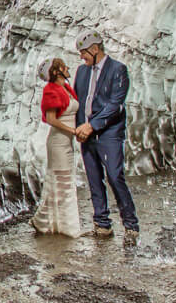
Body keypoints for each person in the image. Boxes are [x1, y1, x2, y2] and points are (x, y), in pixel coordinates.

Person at [73, 32, 139, 244]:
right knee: (94, 179)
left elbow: (115, 105)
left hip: (108, 132)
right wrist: (79, 129)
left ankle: (130, 224)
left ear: (95, 49)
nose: (82, 57)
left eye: (84, 53)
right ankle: (102, 224)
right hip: (87, 133)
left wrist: (91, 125)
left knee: (114, 175)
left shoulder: (118, 69)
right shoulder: (82, 72)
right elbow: (78, 101)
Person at [32, 57, 82, 237]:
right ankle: (63, 226)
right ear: (55, 72)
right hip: (58, 142)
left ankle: (46, 221)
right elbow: (52, 120)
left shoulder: (65, 89)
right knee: (63, 182)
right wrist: (73, 130)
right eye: (63, 66)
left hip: (66, 141)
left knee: (62, 182)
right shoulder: (50, 91)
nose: (67, 67)